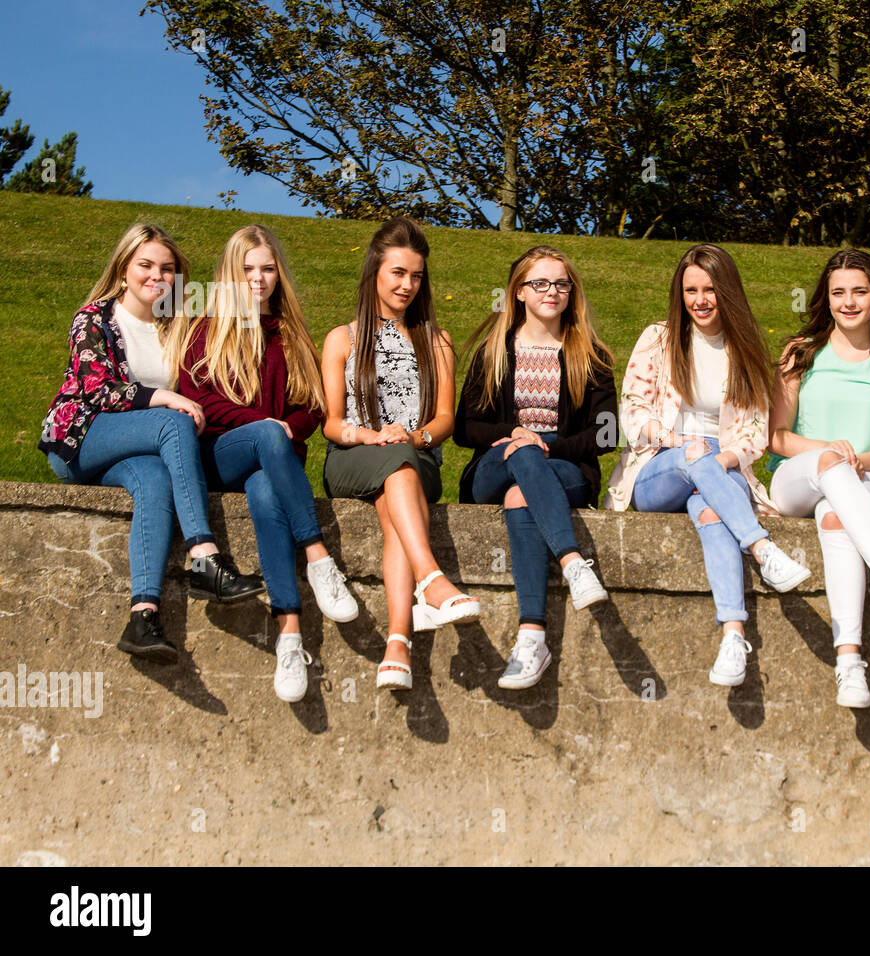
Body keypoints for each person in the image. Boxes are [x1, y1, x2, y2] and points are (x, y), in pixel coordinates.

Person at [39, 223, 263, 663]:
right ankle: (205, 556)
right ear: (124, 269)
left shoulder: (174, 325)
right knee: (170, 422)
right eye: (145, 265)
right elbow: (96, 388)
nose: (156, 276)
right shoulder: (94, 318)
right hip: (82, 436)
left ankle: (142, 617)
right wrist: (163, 396)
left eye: (167, 269)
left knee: (156, 482)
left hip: (136, 450)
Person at [606, 243, 811, 689]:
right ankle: (762, 549)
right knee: (697, 457)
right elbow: (633, 414)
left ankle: (733, 637)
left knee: (714, 510)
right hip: (658, 464)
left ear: (728, 291)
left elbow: (756, 429)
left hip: (721, 464)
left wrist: (726, 457)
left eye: (710, 289)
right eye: (691, 290)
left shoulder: (745, 347)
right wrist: (684, 443)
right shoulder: (658, 338)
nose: (700, 300)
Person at [180, 224, 359, 703]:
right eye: (246, 270)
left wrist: (287, 430)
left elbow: (313, 406)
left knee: (265, 491)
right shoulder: (205, 329)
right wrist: (265, 425)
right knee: (262, 435)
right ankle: (320, 560)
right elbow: (196, 401)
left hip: (273, 464)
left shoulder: (291, 332)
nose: (258, 279)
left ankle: (290, 634)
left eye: (267, 268)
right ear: (228, 274)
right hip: (221, 455)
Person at [769, 249, 870, 708]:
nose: (849, 302)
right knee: (828, 472)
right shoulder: (801, 352)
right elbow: (776, 437)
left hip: (868, 479)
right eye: (839, 292)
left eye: (860, 291)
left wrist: (858, 460)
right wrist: (830, 453)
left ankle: (849, 662)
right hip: (796, 478)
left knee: (835, 517)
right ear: (827, 298)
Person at [321, 217, 473, 692]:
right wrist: (369, 436)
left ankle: (397, 646)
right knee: (395, 464)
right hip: (352, 456)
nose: (408, 285)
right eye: (398, 274)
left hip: (415, 456)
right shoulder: (341, 338)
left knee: (398, 492)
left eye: (417, 276)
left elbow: (446, 418)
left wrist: (415, 437)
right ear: (374, 273)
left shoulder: (436, 340)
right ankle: (430, 581)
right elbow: (330, 423)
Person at [456, 245, 615, 691]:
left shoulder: (592, 355)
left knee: (520, 495)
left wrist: (550, 447)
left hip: (565, 467)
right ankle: (573, 562)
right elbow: (465, 427)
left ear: (572, 291)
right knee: (521, 455)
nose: (552, 291)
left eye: (561, 283)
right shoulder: (494, 351)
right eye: (540, 283)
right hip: (495, 464)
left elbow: (606, 434)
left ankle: (531, 638)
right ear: (519, 292)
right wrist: (517, 434)